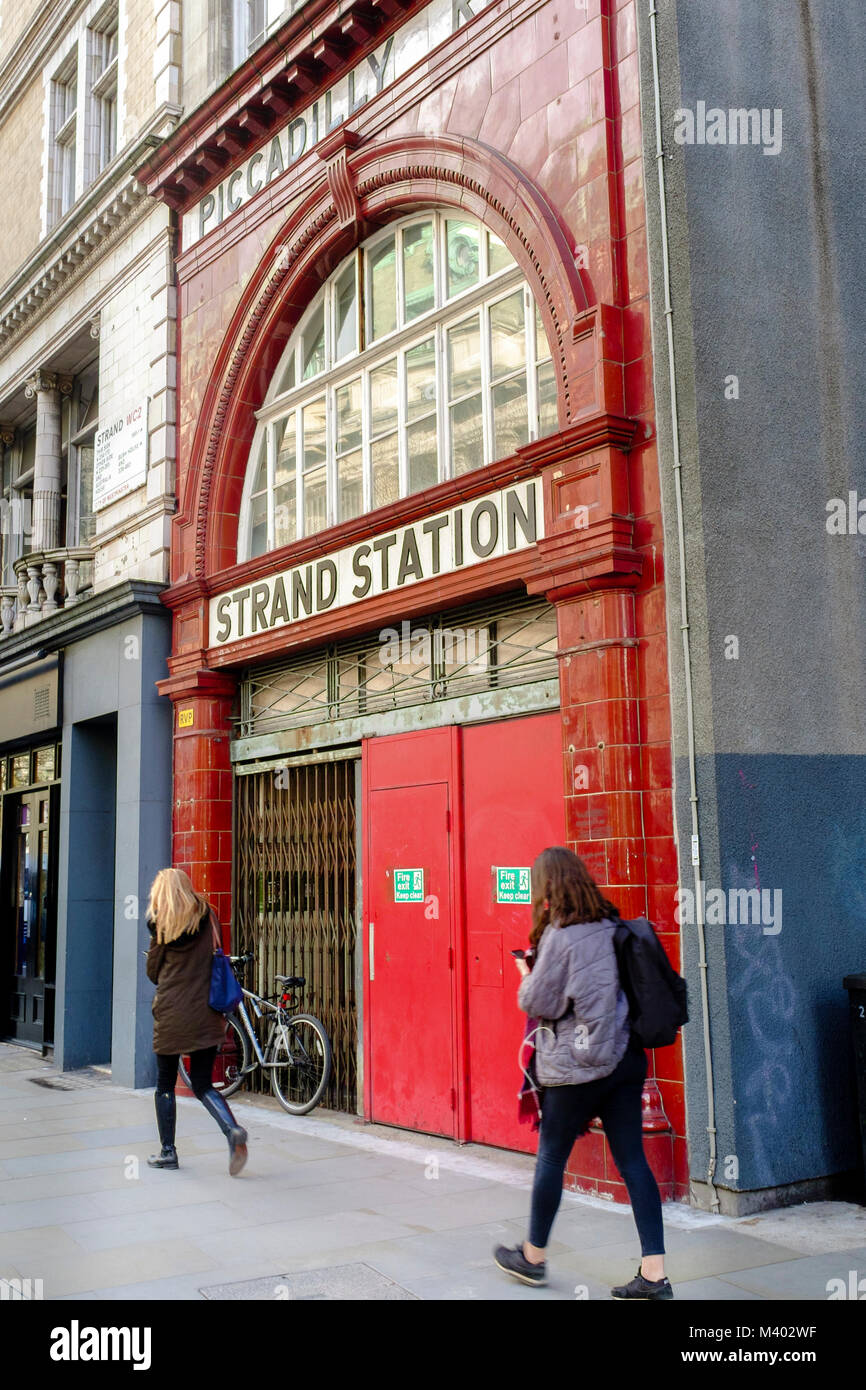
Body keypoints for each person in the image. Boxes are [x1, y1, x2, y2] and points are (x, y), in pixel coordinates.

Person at [493, 847, 672, 1299]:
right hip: (623, 1061)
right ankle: (655, 1275)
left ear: (550, 887)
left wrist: (524, 972)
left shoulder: (560, 935)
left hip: (574, 1068)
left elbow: (541, 1002)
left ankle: (532, 1258)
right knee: (633, 1161)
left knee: (552, 1157)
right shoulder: (612, 925)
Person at [145, 867, 249, 1177]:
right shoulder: (209, 915)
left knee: (165, 1084)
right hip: (207, 1014)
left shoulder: (159, 924)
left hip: (172, 1015)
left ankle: (168, 1152)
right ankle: (232, 1130)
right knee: (203, 1083)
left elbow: (153, 973)